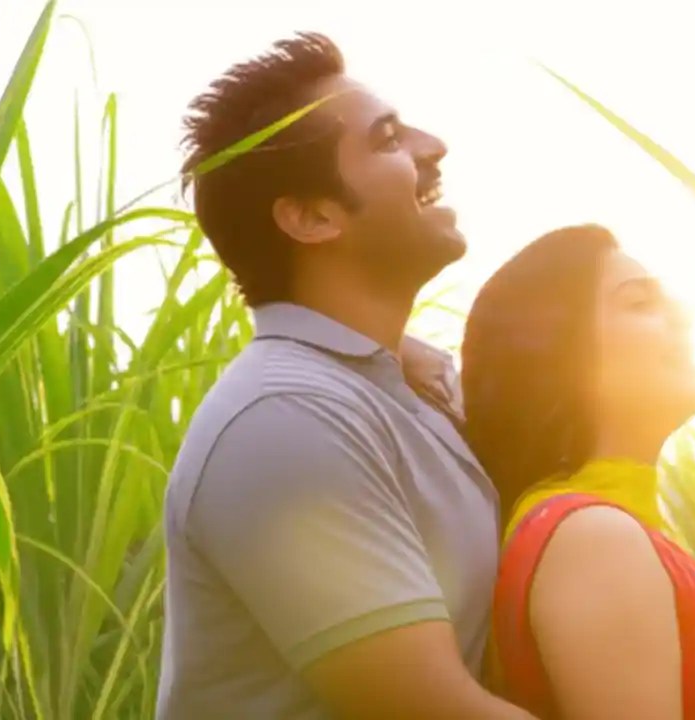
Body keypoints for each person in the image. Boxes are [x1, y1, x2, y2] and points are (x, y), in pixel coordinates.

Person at [156, 32, 534, 719]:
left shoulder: (405, 387)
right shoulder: (285, 419)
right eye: (387, 139)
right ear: (312, 216)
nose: (433, 145)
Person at [461, 225, 695, 720]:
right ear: (559, 352)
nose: (684, 316)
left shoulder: (607, 530)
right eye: (639, 303)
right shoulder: (590, 537)